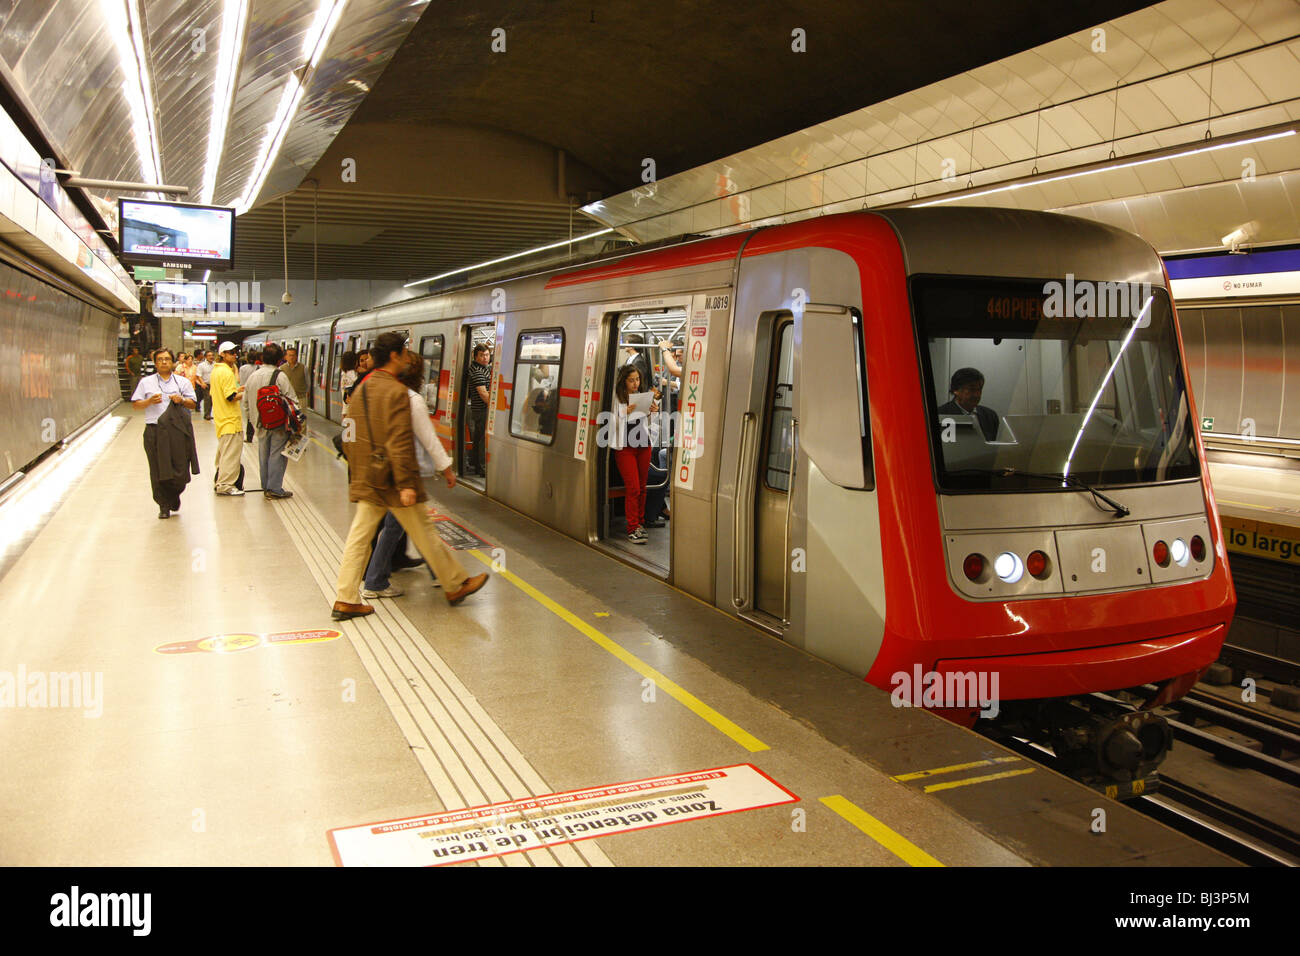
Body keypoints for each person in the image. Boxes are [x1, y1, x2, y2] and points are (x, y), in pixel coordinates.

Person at [331, 332, 488, 621]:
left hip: (369, 476)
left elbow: (350, 433)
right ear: (394, 356)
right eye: (404, 353)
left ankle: (346, 598)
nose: (407, 358)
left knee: (360, 537)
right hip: (392, 480)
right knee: (424, 531)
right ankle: (455, 584)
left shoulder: (362, 388)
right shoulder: (396, 392)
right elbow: (399, 441)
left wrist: (360, 470)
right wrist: (405, 484)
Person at [361, 353, 459, 598]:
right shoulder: (412, 399)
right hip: (405, 474)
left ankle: (440, 575)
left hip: (389, 470)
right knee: (399, 527)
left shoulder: (388, 394)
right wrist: (446, 468)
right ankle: (374, 581)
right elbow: (429, 439)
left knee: (415, 526)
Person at [130, 348, 198, 519]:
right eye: (160, 359)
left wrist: (181, 400)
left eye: (167, 359)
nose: (164, 362)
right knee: (158, 470)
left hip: (177, 431)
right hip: (154, 431)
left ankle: (175, 494)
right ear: (155, 362)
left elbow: (193, 404)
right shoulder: (146, 382)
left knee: (180, 470)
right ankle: (163, 505)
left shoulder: (182, 382)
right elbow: (136, 404)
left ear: (173, 362)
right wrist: (148, 401)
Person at [240, 342, 298, 499]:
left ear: (262, 358)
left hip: (258, 423)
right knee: (277, 454)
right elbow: (292, 400)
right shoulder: (280, 376)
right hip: (278, 423)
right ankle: (275, 488)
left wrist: (252, 420)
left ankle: (266, 486)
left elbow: (245, 403)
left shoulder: (252, 377)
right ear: (279, 360)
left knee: (263, 454)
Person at [611, 364, 657, 545]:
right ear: (624, 381)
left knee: (643, 487)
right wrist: (624, 412)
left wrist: (653, 412)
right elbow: (609, 420)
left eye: (637, 379)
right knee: (634, 488)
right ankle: (632, 527)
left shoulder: (642, 396)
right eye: (631, 380)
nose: (635, 383)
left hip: (643, 444)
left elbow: (648, 422)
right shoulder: (616, 397)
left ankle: (640, 522)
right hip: (625, 446)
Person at [211, 341, 246, 496]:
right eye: (230, 352)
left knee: (224, 455)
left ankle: (219, 481)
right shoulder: (226, 372)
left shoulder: (217, 371)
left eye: (235, 352)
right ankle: (225, 485)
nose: (234, 354)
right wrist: (247, 391)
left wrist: (237, 389)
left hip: (222, 419)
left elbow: (220, 392)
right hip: (230, 420)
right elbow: (231, 397)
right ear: (222, 354)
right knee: (231, 456)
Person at [937, 367, 1000, 442]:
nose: (977, 395)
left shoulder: (990, 416)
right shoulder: (941, 414)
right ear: (956, 390)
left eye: (979, 389)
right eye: (972, 389)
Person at [466, 343, 491, 475]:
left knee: (478, 437)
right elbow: (483, 394)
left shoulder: (485, 368)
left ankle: (475, 462)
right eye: (481, 355)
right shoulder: (477, 371)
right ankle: (482, 468)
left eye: (487, 355)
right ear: (475, 356)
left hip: (480, 409)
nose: (485, 358)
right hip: (481, 409)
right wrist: (495, 408)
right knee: (482, 439)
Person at [196, 350, 214, 420]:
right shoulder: (201, 365)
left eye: (212, 355)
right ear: (206, 357)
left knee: (212, 400)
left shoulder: (215, 364)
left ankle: (209, 413)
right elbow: (198, 375)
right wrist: (202, 383)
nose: (211, 357)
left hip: (213, 385)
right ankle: (206, 414)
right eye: (209, 355)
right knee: (207, 399)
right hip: (205, 384)